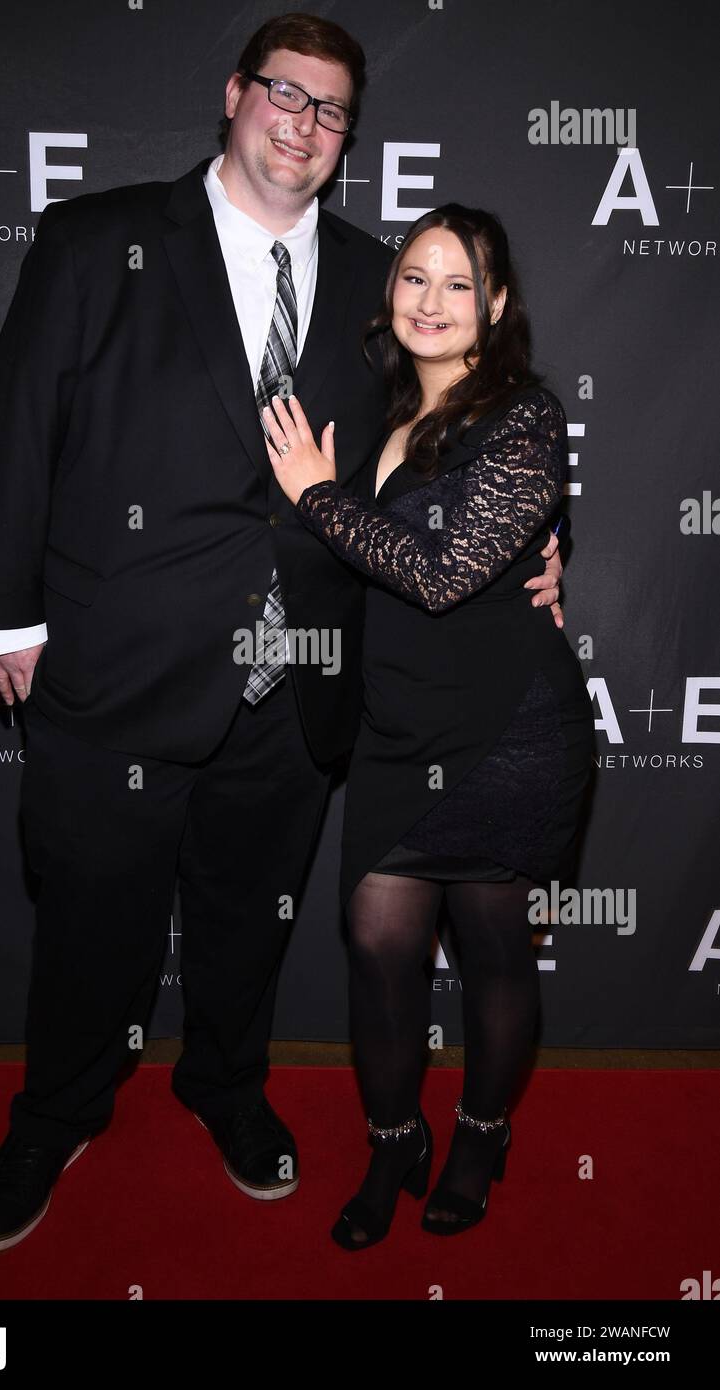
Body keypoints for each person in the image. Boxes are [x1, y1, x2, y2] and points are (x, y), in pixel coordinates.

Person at [0, 14, 565, 1253]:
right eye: (283, 94)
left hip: (301, 681)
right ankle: (55, 1113)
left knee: (249, 917)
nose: (303, 124)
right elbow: (11, 431)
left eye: (331, 110)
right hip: (118, 666)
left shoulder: (371, 281)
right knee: (91, 918)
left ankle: (224, 1086)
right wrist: (0, 609)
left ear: (347, 138)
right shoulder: (99, 240)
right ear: (234, 96)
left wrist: (534, 550)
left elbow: (437, 453)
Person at [265, 202, 595, 1249]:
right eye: (416, 277)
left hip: (506, 729)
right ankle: (393, 1135)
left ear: (494, 305)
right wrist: (557, 543)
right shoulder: (371, 408)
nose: (433, 301)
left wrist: (319, 498)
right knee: (376, 940)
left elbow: (445, 573)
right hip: (397, 725)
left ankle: (482, 1133)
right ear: (391, 291)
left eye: (460, 284)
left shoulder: (525, 414)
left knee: (496, 953)